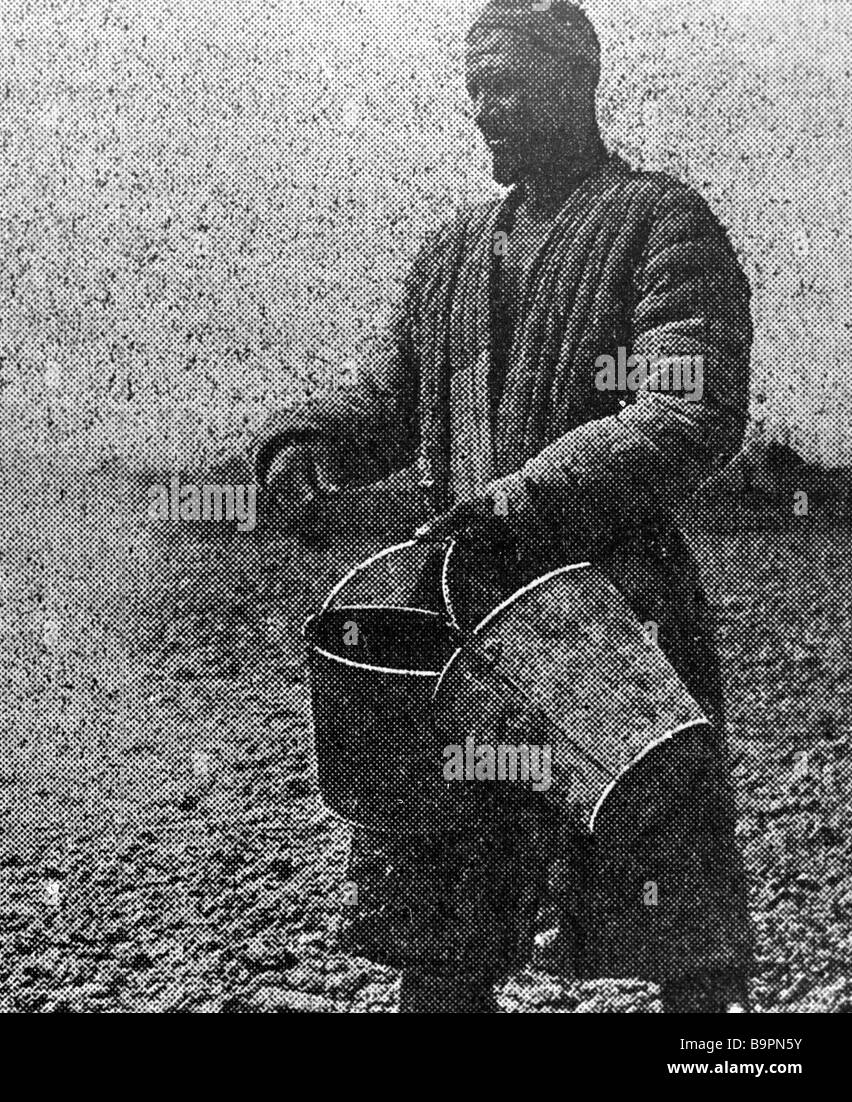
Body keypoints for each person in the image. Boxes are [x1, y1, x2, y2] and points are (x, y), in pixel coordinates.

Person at [254, 0, 754, 1013]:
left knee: (678, 921)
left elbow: (685, 406)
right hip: (453, 618)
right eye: (473, 86)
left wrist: (519, 506)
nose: (483, 109)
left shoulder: (660, 222)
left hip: (608, 614)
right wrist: (306, 443)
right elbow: (385, 400)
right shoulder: (449, 254)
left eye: (507, 85)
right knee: (439, 927)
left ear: (576, 83)